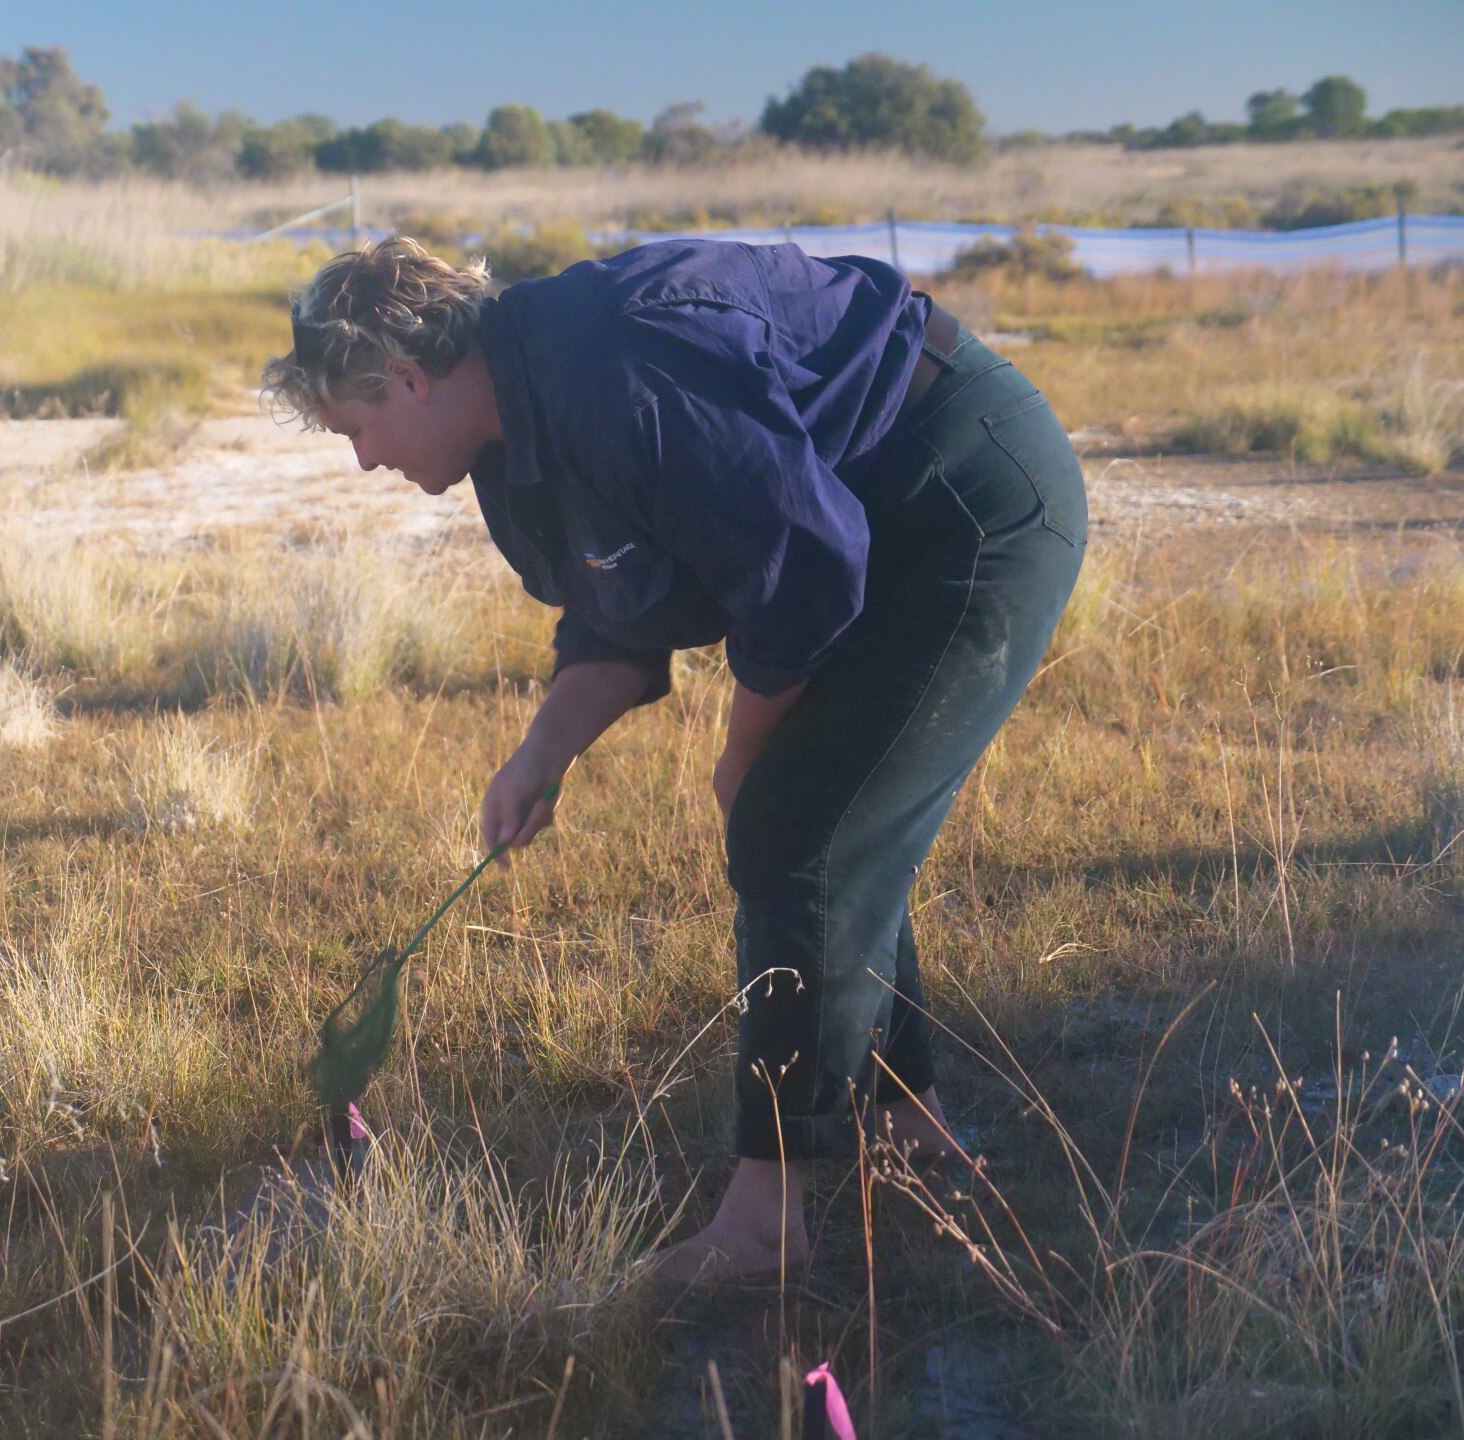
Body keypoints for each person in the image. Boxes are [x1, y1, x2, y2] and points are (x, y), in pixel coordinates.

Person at [260, 235, 1086, 1285]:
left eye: (356, 429)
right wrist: (539, 754)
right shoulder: (505, 439)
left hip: (966, 493)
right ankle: (909, 1126)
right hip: (866, 516)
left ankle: (765, 1222)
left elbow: (804, 572)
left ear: (411, 380)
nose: (363, 458)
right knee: (828, 818)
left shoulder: (614, 368)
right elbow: (616, 610)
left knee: (794, 828)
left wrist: (740, 754)